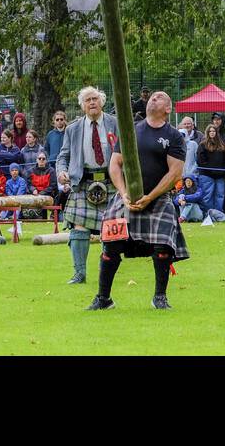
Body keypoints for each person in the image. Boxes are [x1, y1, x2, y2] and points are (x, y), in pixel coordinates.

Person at [86, 91, 189, 311]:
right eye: (152, 96)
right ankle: (103, 299)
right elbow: (115, 164)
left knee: (163, 243)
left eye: (160, 97)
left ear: (168, 109)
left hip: (158, 199)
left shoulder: (174, 136)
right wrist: (123, 193)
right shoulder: (131, 130)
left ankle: (159, 297)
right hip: (126, 199)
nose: (153, 98)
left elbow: (175, 173)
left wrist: (149, 197)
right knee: (110, 244)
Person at [57, 86, 122, 285]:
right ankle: (79, 273)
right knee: (79, 227)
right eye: (88, 100)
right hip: (84, 182)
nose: (92, 102)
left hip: (111, 181)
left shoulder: (115, 123)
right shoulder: (73, 128)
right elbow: (63, 156)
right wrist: (61, 171)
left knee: (111, 228)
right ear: (82, 105)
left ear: (102, 102)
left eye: (95, 99)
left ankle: (107, 271)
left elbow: (127, 149)